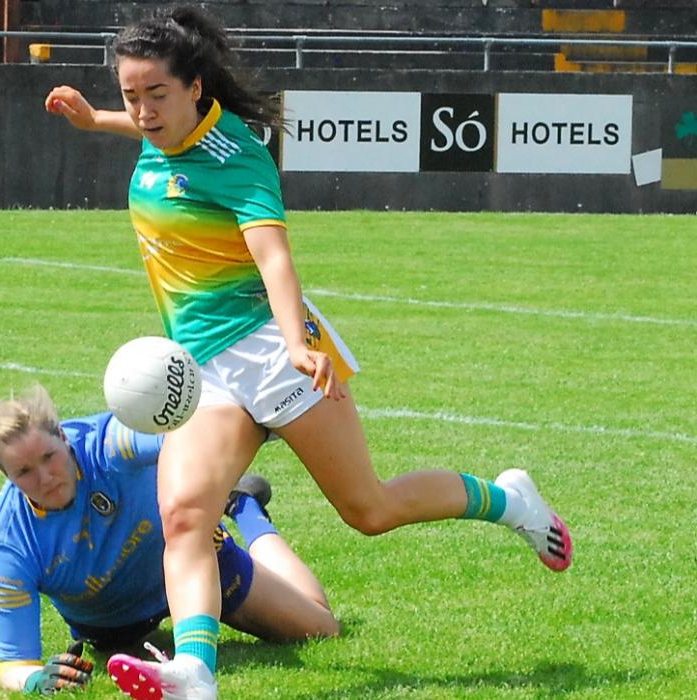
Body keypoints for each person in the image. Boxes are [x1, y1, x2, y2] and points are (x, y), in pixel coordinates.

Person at [44, 6, 572, 699]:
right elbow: (151, 139)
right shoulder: (156, 134)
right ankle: (195, 673)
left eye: (155, 95)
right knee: (185, 515)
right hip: (203, 375)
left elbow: (276, 261)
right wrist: (94, 121)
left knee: (369, 510)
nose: (140, 111)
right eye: (130, 95)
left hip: (276, 354)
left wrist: (298, 342)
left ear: (196, 87)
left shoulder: (239, 160)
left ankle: (512, 503)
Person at [0, 380, 339, 695]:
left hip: (195, 567)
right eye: (25, 472)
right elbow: (14, 663)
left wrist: (248, 432)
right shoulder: (9, 545)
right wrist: (35, 680)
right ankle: (241, 505)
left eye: (50, 456)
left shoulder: (108, 444)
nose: (45, 476)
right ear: (7, 477)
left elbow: (188, 439)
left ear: (64, 438)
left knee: (320, 629)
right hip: (113, 626)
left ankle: (245, 509)